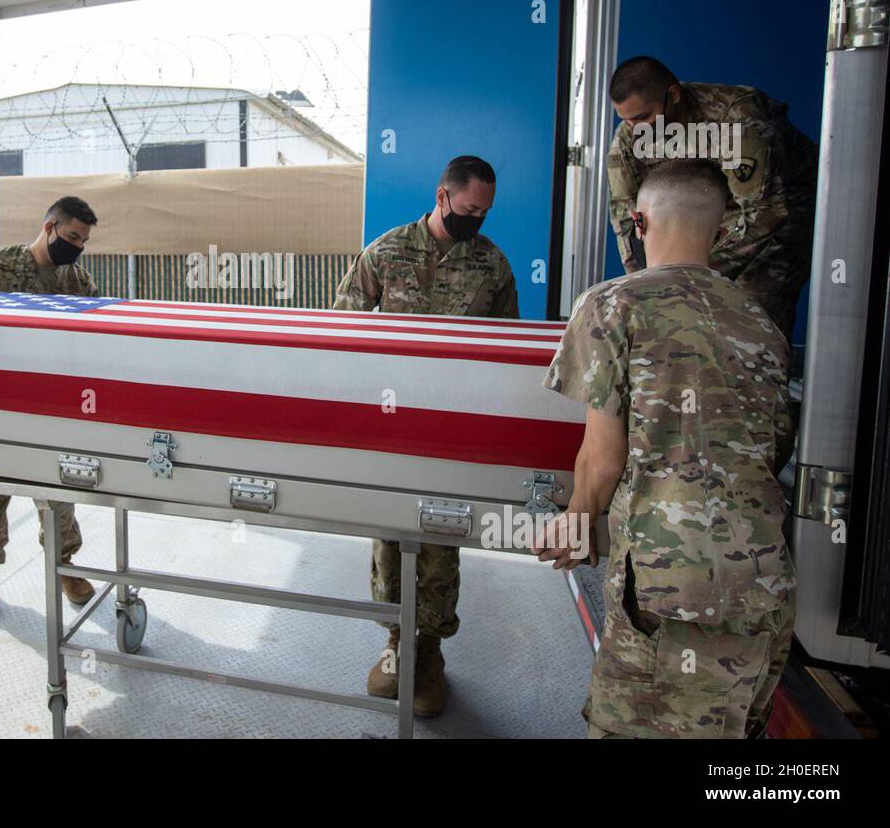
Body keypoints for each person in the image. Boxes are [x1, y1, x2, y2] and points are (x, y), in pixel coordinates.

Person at [536, 159, 795, 738]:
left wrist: (577, 524)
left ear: (636, 220)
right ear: (723, 231)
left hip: (670, 588)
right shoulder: (762, 324)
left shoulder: (612, 305)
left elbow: (602, 458)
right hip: (765, 583)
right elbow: (770, 451)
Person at [333, 155, 518, 716]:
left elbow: (507, 350)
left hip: (452, 430)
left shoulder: (492, 265)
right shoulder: (386, 252)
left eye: (484, 212)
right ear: (442, 197)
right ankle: (395, 645)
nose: (476, 221)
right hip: (390, 426)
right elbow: (342, 328)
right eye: (468, 210)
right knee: (389, 535)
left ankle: (430, 654)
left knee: (439, 535)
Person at [0, 196, 101, 629]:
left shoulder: (78, 281)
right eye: (72, 236)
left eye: (84, 241)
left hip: (50, 409)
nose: (77, 247)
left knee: (57, 491)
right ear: (49, 225)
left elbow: (96, 339)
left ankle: (66, 567)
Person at [606, 55, 818, 340]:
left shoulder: (737, 119)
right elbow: (627, 217)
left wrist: (692, 273)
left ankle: (760, 378)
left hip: (778, 206)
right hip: (710, 211)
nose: (634, 128)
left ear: (674, 95)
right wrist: (643, 279)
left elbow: (766, 213)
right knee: (670, 301)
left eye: (643, 116)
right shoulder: (629, 135)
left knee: (752, 311)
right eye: (626, 119)